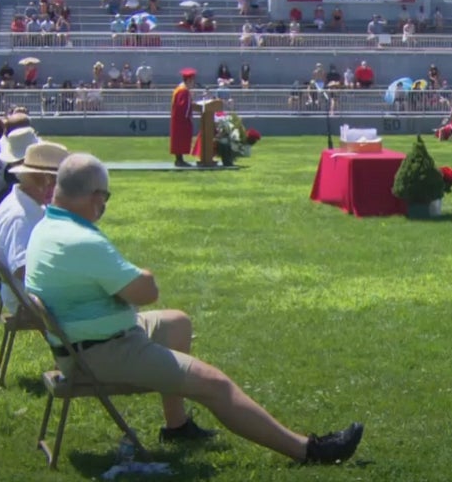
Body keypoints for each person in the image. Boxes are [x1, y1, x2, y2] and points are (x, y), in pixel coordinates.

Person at [25, 154, 364, 463]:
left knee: (177, 323)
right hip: (103, 352)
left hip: (81, 344)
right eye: (106, 197)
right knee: (215, 384)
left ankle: (177, 426)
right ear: (95, 196)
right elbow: (146, 291)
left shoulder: (48, 227)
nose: (104, 205)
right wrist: (143, 277)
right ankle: (307, 450)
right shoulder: (83, 241)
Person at [0, 142, 67, 314]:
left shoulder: (31, 204)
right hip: (31, 301)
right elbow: (23, 270)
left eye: (57, 180)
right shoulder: (19, 216)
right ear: (26, 177)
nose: (51, 186)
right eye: (42, 179)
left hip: (38, 294)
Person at [171, 68, 197, 167]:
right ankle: (179, 160)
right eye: (192, 80)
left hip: (178, 119)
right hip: (182, 120)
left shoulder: (179, 89)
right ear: (188, 80)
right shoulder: (183, 91)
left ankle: (179, 159)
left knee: (179, 140)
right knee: (180, 140)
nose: (193, 83)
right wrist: (188, 117)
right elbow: (183, 107)